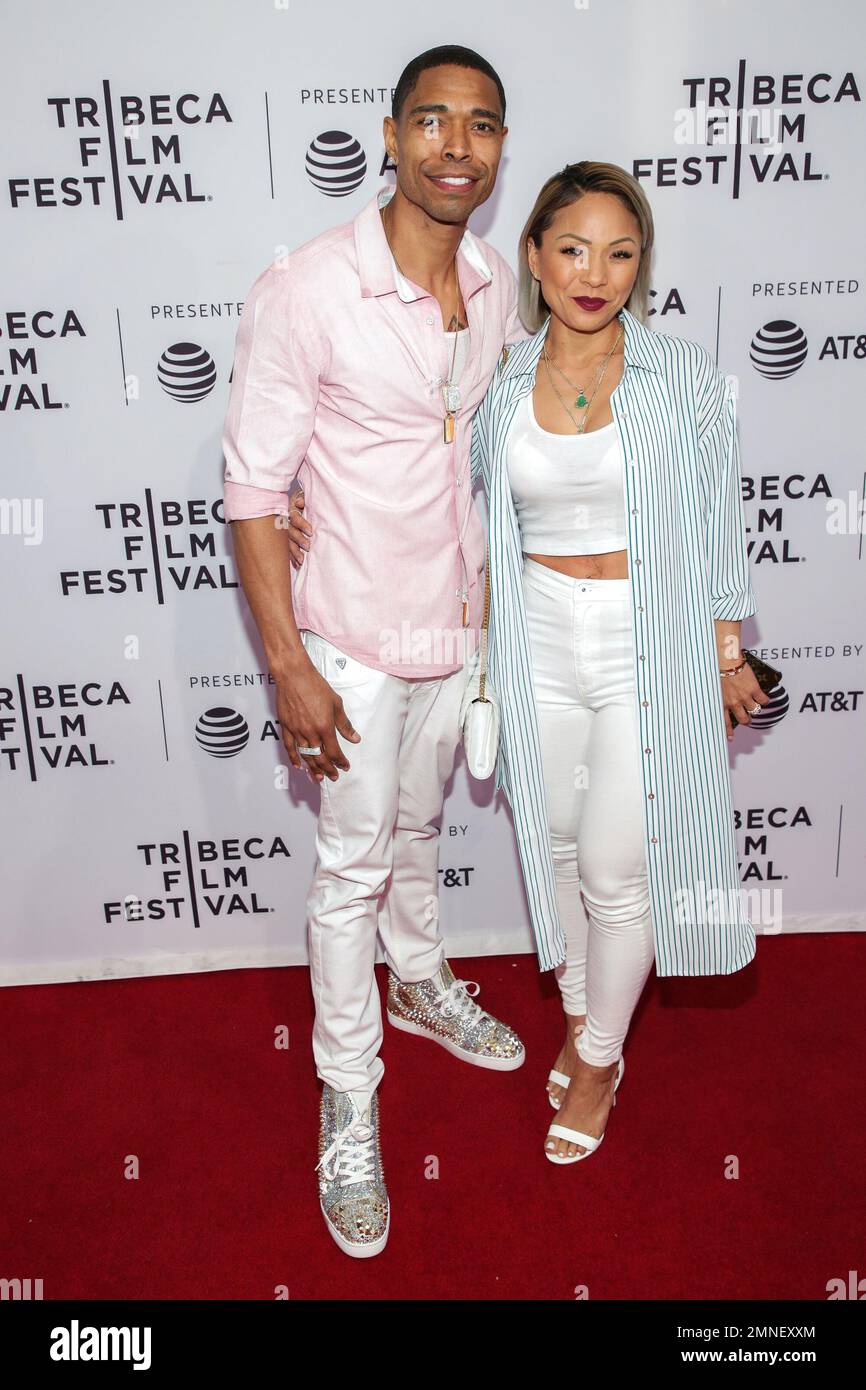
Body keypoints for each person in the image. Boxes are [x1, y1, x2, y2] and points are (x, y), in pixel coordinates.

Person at [289, 160, 767, 1169]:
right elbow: (417, 478)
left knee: (613, 869)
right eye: (573, 248)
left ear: (641, 269)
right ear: (536, 260)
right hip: (534, 639)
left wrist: (727, 647)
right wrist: (300, 504)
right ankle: (586, 1014)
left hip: (650, 642)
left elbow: (719, 520)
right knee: (553, 849)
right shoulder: (500, 382)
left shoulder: (678, 375)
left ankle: (597, 1057)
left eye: (620, 252)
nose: (595, 272)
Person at [221, 46, 528, 1260]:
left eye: (483, 126)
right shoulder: (304, 287)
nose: (458, 146)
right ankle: (348, 1098)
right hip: (344, 640)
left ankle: (420, 980)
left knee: (415, 829)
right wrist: (287, 663)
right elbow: (251, 490)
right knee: (347, 870)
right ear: (392, 137)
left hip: (451, 630)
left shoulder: (499, 283)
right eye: (435, 122)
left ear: (499, 150)